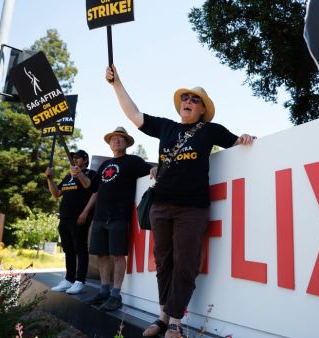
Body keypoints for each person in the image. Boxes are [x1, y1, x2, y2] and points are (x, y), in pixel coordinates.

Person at [105, 65, 256, 338]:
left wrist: (245, 138)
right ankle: (163, 316)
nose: (188, 101)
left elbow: (237, 142)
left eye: (194, 99)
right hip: (160, 207)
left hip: (192, 209)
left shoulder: (211, 130)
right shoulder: (166, 127)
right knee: (163, 262)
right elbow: (134, 115)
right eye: (185, 98)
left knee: (185, 264)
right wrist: (117, 85)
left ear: (202, 109)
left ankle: (175, 322)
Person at [85, 126, 152, 311]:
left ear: (127, 143)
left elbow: (151, 171)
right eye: (113, 138)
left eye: (121, 138)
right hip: (99, 217)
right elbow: (92, 187)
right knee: (101, 254)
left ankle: (116, 295)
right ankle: (104, 291)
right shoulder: (105, 165)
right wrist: (79, 175)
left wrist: (155, 170)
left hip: (119, 216)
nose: (117, 140)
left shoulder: (133, 161)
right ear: (109, 143)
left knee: (117, 255)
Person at [45, 150, 96, 294]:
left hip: (79, 217)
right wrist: (50, 179)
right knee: (68, 250)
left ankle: (80, 281)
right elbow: (56, 194)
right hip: (65, 218)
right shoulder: (69, 176)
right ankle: (69, 279)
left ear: (85, 160)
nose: (74, 160)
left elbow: (94, 192)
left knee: (80, 249)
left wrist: (85, 212)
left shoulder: (91, 174)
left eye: (77, 158)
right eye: (73, 158)